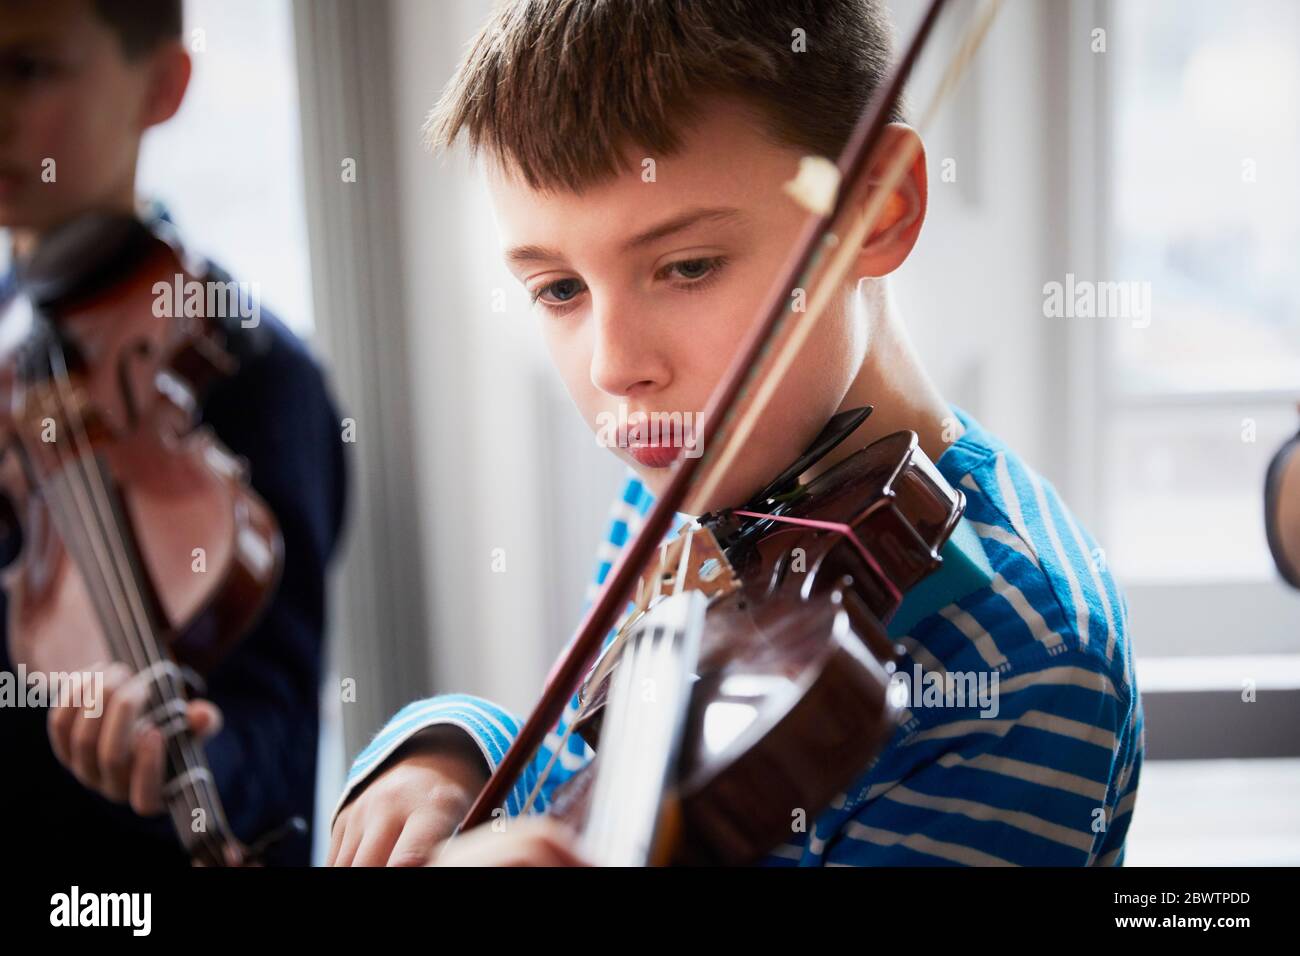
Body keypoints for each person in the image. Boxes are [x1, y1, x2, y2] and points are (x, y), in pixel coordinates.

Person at [329, 0, 1142, 867]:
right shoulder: (692, 479)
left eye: (686, 267)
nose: (615, 367)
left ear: (880, 207)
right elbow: (593, 793)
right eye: (560, 289)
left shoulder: (1027, 656)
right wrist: (455, 752)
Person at [0, 0, 346, 865]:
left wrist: (172, 762)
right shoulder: (13, 334)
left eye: (29, 69)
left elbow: (273, 756)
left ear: (162, 84)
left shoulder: (246, 373)